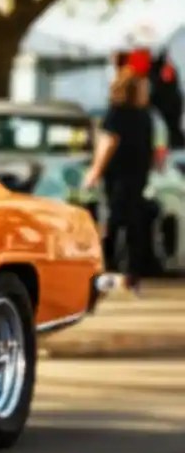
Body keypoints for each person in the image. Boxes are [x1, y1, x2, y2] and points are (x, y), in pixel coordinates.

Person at [83, 62, 155, 293]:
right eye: (143, 89)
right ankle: (113, 271)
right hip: (122, 178)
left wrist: (95, 171)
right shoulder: (122, 114)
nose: (147, 93)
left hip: (132, 179)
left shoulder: (139, 115)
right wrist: (96, 171)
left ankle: (121, 272)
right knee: (118, 224)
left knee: (123, 225)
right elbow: (108, 143)